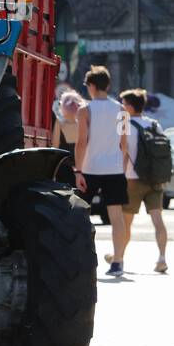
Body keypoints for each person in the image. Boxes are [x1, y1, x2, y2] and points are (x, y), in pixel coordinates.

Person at [74, 66, 129, 276]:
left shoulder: (85, 110)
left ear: (92, 86)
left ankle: (82, 258)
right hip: (114, 169)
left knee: (79, 215)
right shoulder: (121, 110)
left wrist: (78, 171)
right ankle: (118, 261)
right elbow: (123, 144)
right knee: (117, 217)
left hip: (90, 168)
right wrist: (121, 168)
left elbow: (81, 143)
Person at [113, 89, 169, 274]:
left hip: (132, 179)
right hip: (155, 179)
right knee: (157, 219)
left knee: (125, 223)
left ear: (129, 106)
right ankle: (162, 258)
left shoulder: (125, 124)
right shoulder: (154, 124)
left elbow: (122, 152)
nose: (121, 106)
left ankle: (118, 257)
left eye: (123, 103)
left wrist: (118, 175)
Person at [51, 84, 85, 151]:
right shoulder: (83, 125)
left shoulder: (59, 124)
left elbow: (55, 147)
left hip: (64, 160)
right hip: (80, 160)